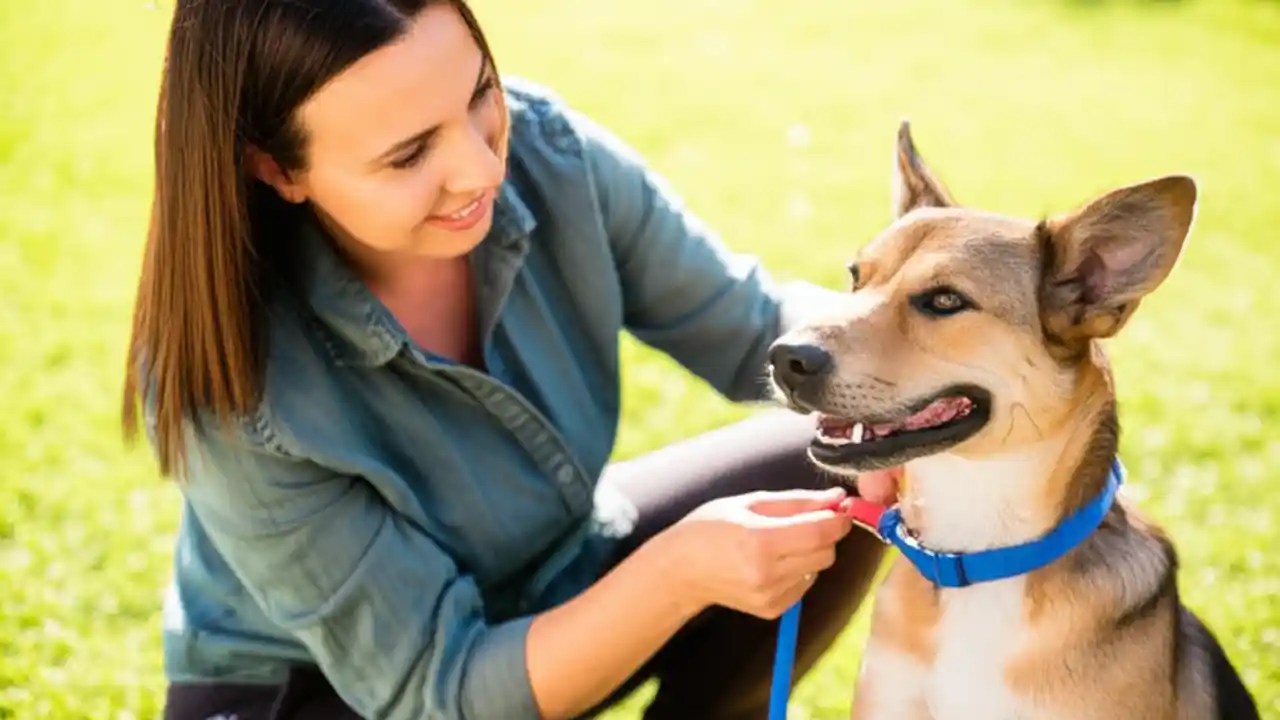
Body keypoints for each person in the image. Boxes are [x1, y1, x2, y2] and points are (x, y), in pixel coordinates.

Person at [122, 1, 897, 718]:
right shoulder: (230, 384)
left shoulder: (549, 154)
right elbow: (439, 691)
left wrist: (920, 355)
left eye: (478, 93)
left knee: (841, 445)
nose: (484, 168)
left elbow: (753, 324)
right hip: (333, 695)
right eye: (409, 155)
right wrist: (680, 572)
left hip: (547, 584)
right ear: (277, 169)